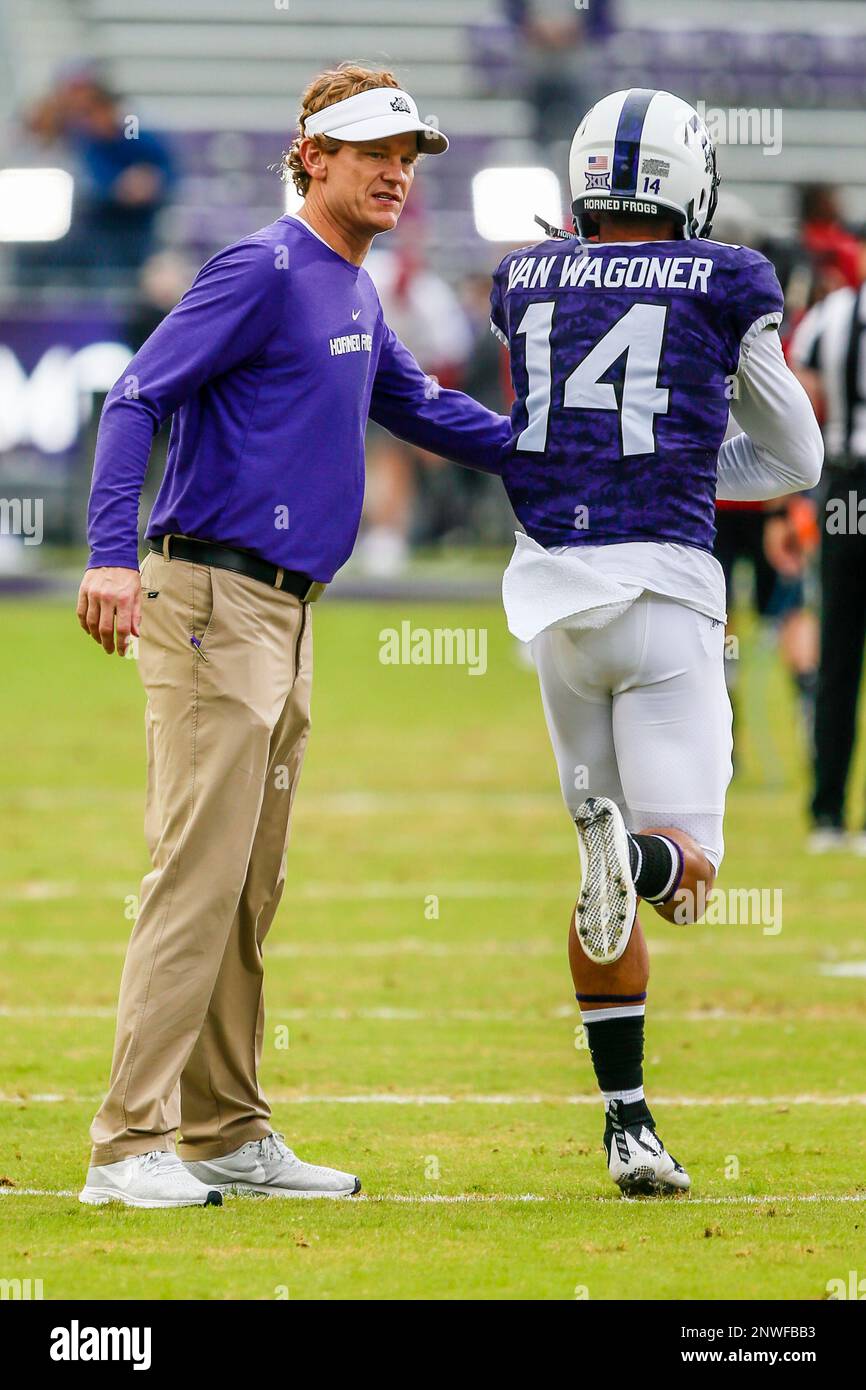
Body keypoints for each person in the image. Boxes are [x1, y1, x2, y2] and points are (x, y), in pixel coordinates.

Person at [76, 63, 512, 1209]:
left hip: (285, 611)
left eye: (407, 157)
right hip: (214, 601)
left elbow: (424, 411)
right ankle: (128, 1147)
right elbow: (135, 398)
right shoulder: (265, 267)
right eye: (372, 151)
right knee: (197, 874)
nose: (394, 173)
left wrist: (557, 450)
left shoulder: (354, 290)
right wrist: (110, 554)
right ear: (309, 155)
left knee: (248, 884)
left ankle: (224, 1130)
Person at [489, 88, 823, 1194]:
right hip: (664, 599)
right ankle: (626, 856)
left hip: (550, 606)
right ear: (686, 178)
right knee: (680, 880)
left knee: (600, 873)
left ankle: (626, 1122)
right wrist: (691, 475)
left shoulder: (523, 274)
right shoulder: (724, 276)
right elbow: (795, 458)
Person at [789, 273, 866, 853]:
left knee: (839, 654)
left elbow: (800, 405)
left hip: (846, 491)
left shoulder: (829, 317)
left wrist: (793, 502)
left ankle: (827, 812)